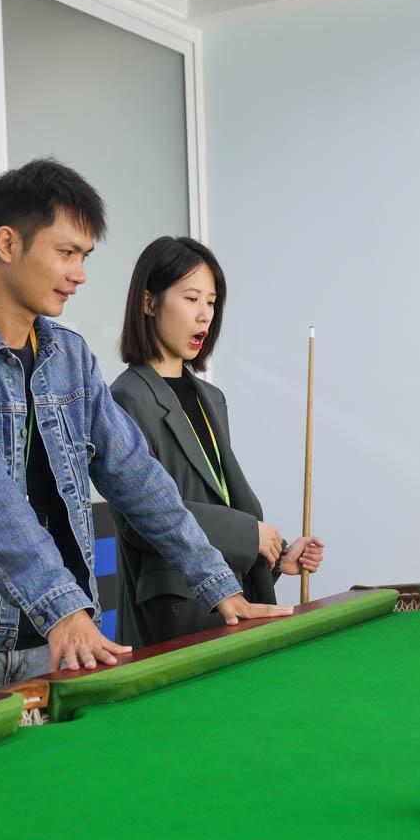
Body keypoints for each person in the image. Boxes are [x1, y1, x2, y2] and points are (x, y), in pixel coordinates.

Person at [0, 159, 290, 713]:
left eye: (85, 257)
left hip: (56, 644)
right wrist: (64, 610)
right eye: (66, 253)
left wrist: (219, 585)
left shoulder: (70, 357)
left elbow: (137, 477)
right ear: (7, 243)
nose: (79, 274)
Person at [111, 236, 324, 646]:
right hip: (176, 615)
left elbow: (220, 498)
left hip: (234, 602)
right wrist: (250, 534)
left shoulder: (211, 397)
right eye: (191, 298)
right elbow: (143, 517)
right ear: (149, 302)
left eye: (211, 302)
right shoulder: (126, 397)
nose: (204, 315)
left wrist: (276, 555)